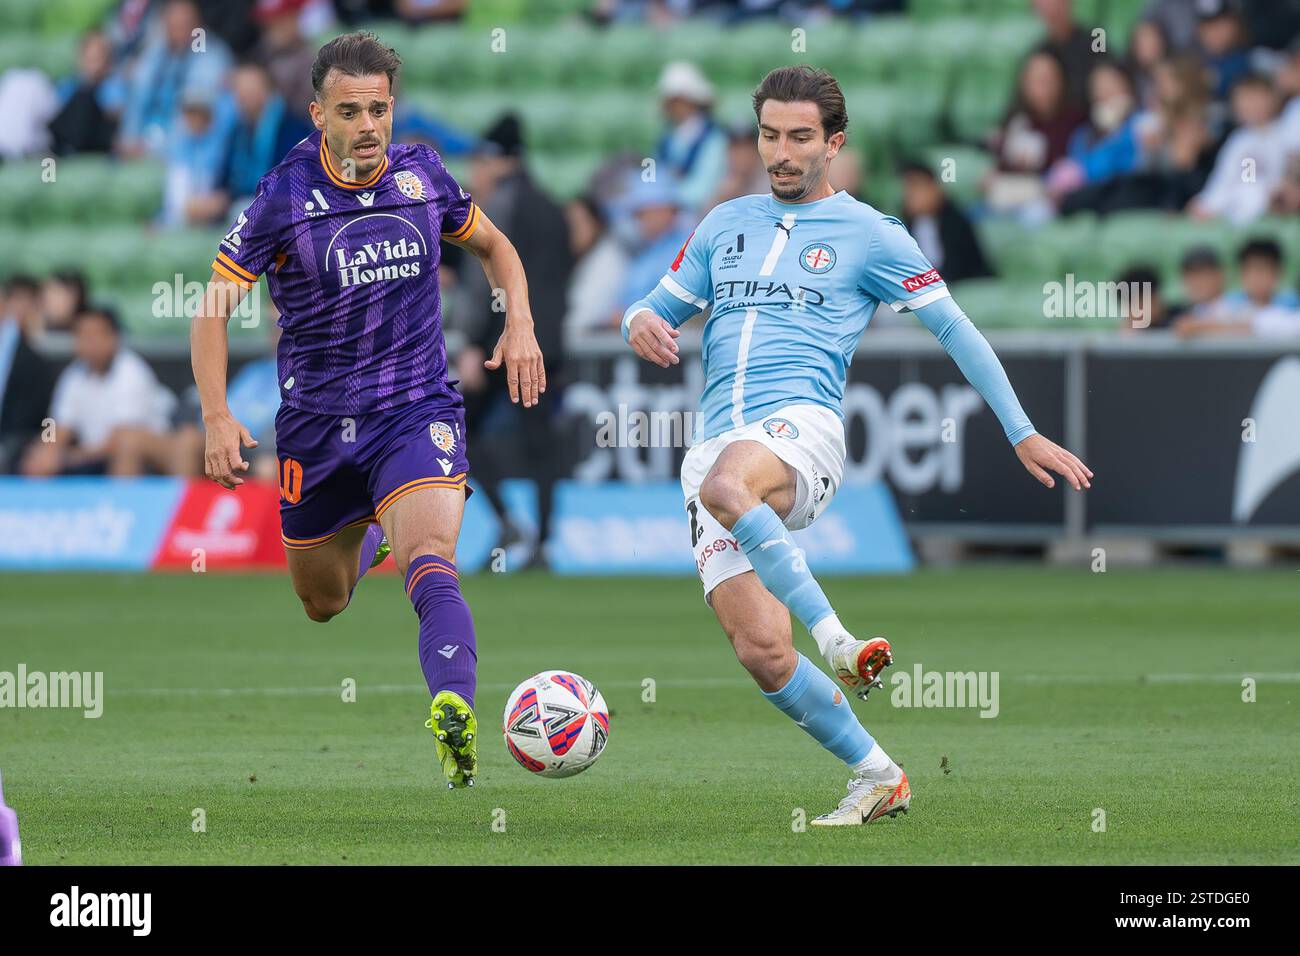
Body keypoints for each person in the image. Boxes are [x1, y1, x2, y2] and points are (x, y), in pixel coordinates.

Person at [621, 66, 1092, 826]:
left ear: (833, 143)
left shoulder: (873, 234)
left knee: (728, 487)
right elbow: (657, 306)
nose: (782, 151)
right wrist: (637, 319)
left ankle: (838, 637)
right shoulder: (722, 223)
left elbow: (955, 329)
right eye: (770, 134)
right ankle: (878, 775)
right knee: (762, 650)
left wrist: (1021, 429)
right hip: (713, 448)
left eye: (801, 137)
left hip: (800, 429)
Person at [191, 32, 545, 790]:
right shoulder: (283, 195)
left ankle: (453, 702)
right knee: (324, 601)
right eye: (349, 110)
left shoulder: (423, 175)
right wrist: (217, 415)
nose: (368, 126)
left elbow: (497, 248)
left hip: (415, 410)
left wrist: (519, 320)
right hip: (317, 428)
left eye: (379, 109)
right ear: (318, 114)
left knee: (432, 559)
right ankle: (363, 534)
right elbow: (212, 309)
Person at [21, 307, 176, 477]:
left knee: (127, 445)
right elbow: (55, 425)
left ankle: (120, 502)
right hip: (92, 456)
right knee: (40, 456)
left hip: (148, 457)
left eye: (95, 335)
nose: (88, 343)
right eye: (82, 336)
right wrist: (47, 448)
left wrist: (69, 457)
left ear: (113, 338)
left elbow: (118, 438)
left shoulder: (131, 370)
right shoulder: (73, 375)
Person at [899, 159, 994, 283]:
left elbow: (958, 267)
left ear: (935, 188)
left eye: (917, 187)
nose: (910, 194)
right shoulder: (904, 227)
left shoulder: (956, 223)